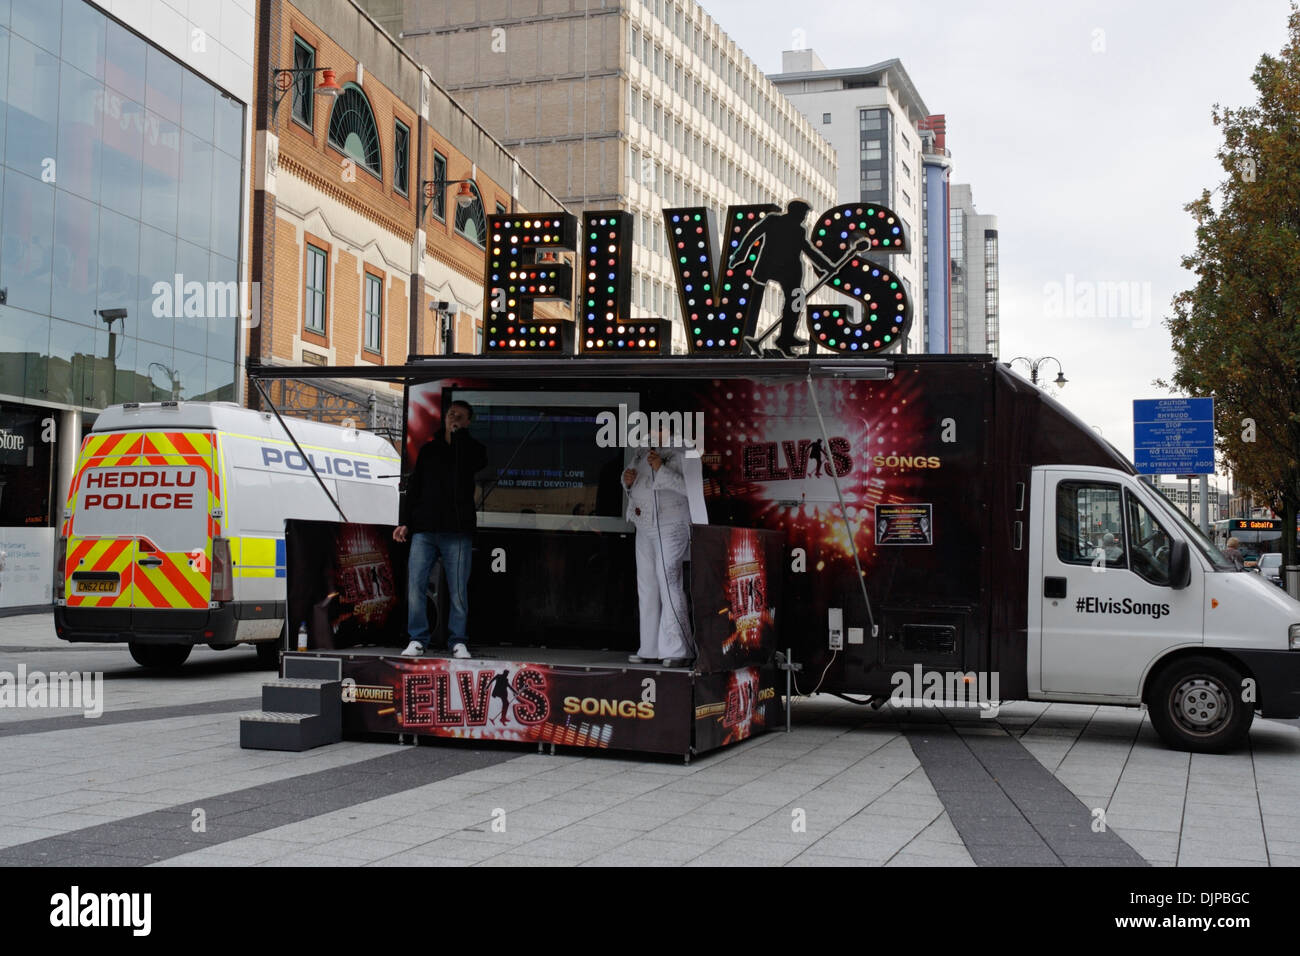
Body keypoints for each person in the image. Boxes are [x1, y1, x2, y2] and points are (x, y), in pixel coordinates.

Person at [394, 400, 487, 659]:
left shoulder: (470, 449)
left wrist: (459, 438)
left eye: (459, 415)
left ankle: (458, 640)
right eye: (450, 414)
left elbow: (479, 461)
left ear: (468, 421)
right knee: (416, 584)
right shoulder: (430, 450)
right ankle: (417, 638)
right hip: (425, 528)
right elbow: (415, 488)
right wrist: (405, 522)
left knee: (458, 589)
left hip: (457, 530)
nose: (453, 417)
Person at [623, 426, 696, 667]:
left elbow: (692, 488)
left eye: (658, 427)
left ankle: (678, 649)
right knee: (647, 586)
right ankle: (650, 646)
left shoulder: (684, 448)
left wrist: (660, 469)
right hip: (643, 522)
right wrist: (628, 482)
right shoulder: (642, 450)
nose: (653, 432)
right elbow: (635, 480)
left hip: (671, 523)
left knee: (669, 583)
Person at [727, 199, 839, 356]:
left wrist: (826, 266)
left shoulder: (800, 230)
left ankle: (786, 338)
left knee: (795, 302)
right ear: (794, 211)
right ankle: (747, 335)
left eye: (805, 215)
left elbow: (807, 249)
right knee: (754, 300)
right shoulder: (773, 219)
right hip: (769, 266)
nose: (804, 218)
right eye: (803, 214)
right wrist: (741, 254)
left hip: (790, 271)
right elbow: (754, 234)